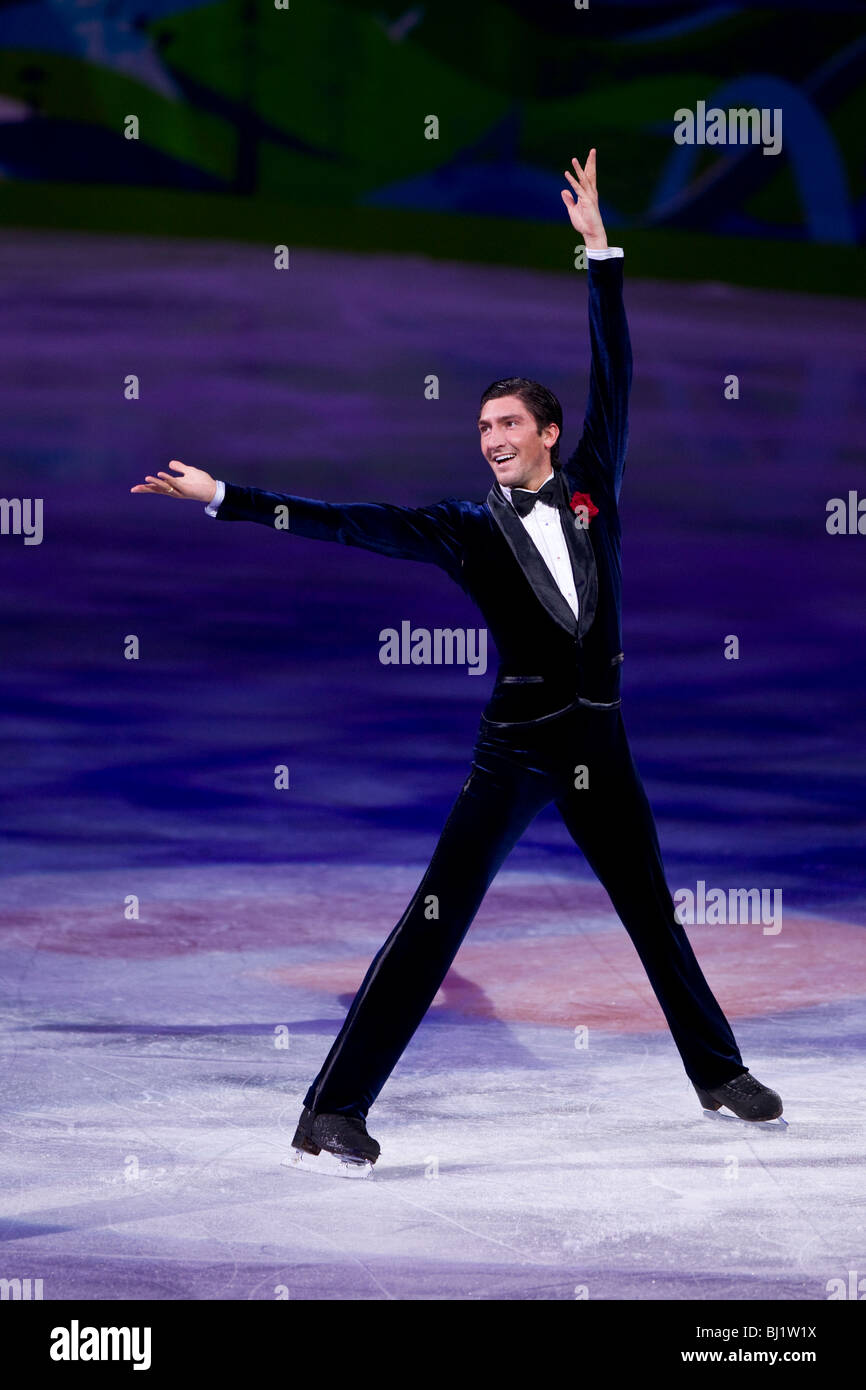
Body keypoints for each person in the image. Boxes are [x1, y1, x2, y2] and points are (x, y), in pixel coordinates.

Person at [132, 150, 782, 1176]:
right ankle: (330, 1109)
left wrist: (598, 251)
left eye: (505, 424)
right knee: (434, 921)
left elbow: (614, 369)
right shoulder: (461, 529)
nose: (487, 439)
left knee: (650, 907)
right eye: (479, 426)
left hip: (598, 736)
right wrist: (228, 496)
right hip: (518, 747)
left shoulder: (590, 487)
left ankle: (715, 1072)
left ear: (547, 435)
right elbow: (352, 522)